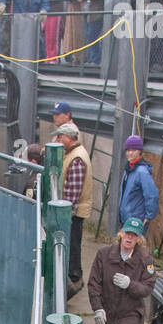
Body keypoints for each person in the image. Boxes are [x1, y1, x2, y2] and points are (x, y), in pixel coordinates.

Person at [52, 121, 93, 298]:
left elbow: (72, 194)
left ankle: (74, 280)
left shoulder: (77, 158)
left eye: (60, 137)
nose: (58, 140)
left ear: (69, 138)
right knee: (72, 245)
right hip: (74, 211)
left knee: (73, 246)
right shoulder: (73, 153)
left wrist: (63, 215)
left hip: (74, 214)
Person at [119, 135, 159, 229]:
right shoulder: (128, 170)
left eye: (134, 150)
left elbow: (152, 194)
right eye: (128, 150)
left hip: (136, 221)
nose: (130, 153)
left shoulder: (142, 172)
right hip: (125, 219)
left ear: (140, 152)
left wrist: (149, 216)